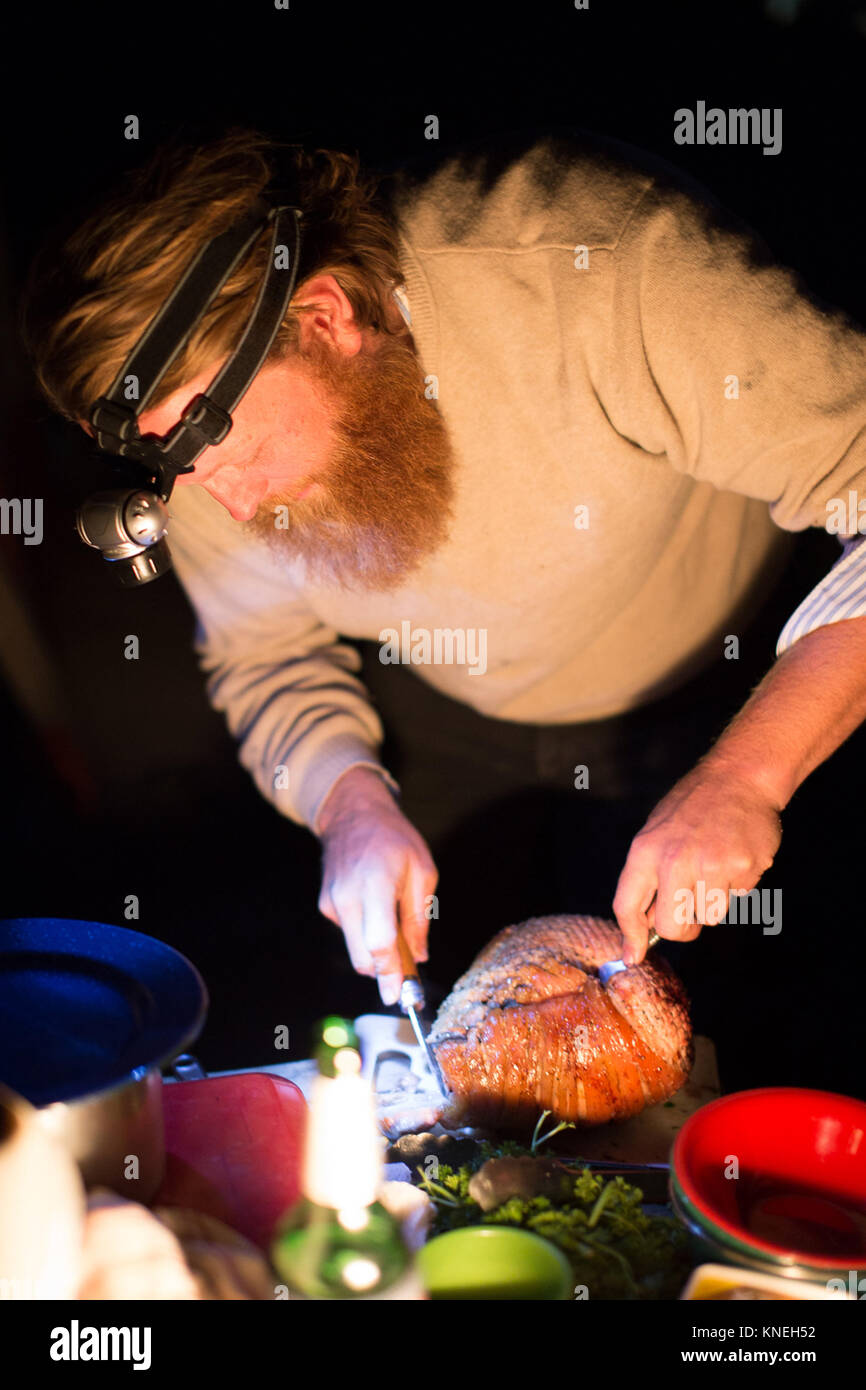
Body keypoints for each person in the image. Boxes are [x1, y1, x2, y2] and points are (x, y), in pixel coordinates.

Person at [20, 127, 866, 1012]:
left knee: (723, 1037)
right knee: (445, 1042)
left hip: (732, 689)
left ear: (323, 318)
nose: (230, 509)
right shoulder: (196, 442)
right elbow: (263, 653)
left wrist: (748, 777)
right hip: (445, 712)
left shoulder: (600, 266)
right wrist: (345, 802)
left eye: (230, 454)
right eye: (181, 474)